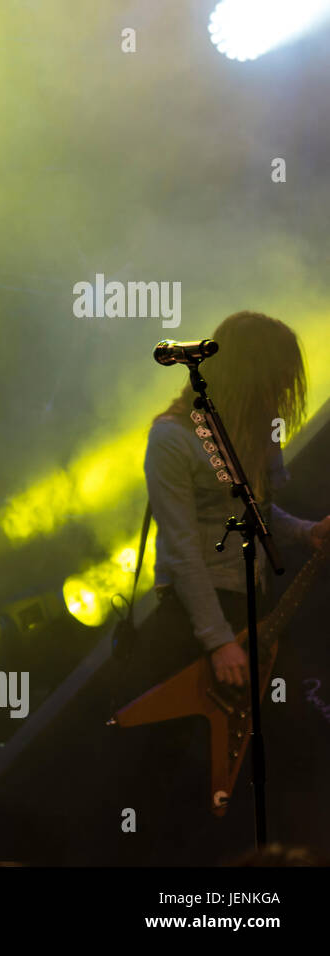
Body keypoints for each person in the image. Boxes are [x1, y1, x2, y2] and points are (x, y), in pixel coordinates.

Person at [119, 310, 330, 864]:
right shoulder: (171, 438)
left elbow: (260, 512)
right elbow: (182, 551)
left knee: (272, 761)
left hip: (247, 614)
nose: (285, 392)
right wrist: (218, 641)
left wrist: (307, 532)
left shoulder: (253, 433)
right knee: (163, 769)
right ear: (250, 372)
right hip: (191, 623)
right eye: (278, 378)